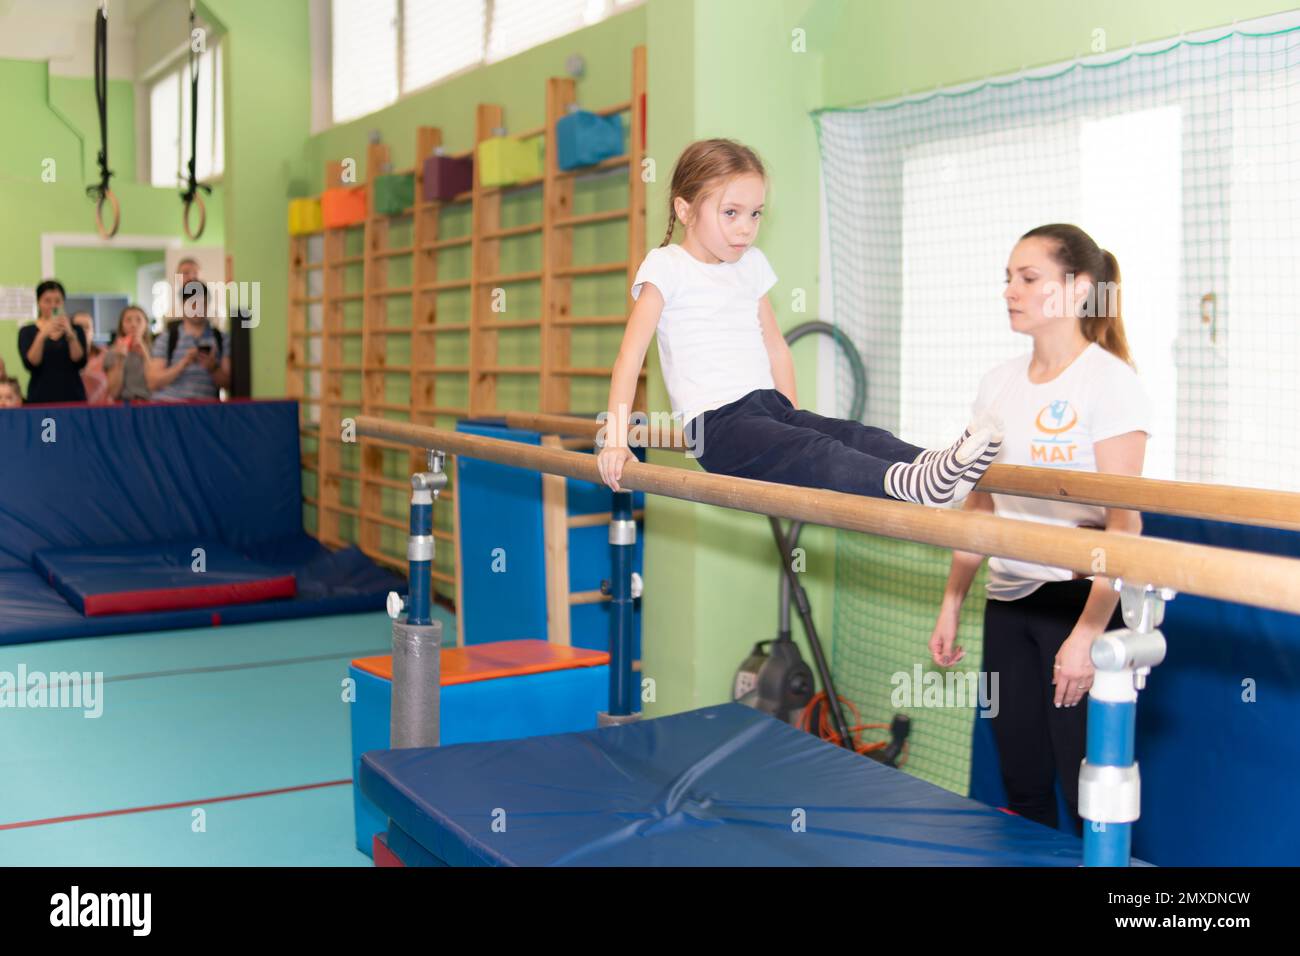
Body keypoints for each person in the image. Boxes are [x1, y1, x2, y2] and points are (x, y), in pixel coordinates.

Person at [596, 138, 1002, 504]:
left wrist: (790, 415)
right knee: (817, 450)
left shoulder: (750, 264)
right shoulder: (667, 266)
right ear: (685, 210)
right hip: (717, 425)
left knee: (850, 434)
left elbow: (775, 346)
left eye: (755, 214)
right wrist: (615, 441)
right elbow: (630, 358)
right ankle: (913, 485)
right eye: (731, 213)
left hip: (769, 407)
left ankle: (937, 465)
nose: (746, 228)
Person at [927, 223, 1151, 835]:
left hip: (1079, 603)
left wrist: (1085, 636)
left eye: (1028, 279)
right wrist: (952, 603)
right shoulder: (996, 385)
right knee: (1022, 785)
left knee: (1088, 799)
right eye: (1008, 278)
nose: (1010, 291)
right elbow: (980, 510)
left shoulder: (1110, 383)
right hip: (1007, 602)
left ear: (1079, 289)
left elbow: (1124, 529)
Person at [148, 273, 230, 402]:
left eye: (201, 303)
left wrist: (212, 367)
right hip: (167, 407)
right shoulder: (167, 338)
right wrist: (183, 364)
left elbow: (228, 384)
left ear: (207, 304)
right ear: (183, 304)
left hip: (204, 411)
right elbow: (152, 382)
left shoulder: (221, 338)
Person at [18, 280, 87, 404]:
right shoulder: (27, 331)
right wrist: (42, 334)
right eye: (47, 301)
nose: (53, 305)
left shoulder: (76, 329)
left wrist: (70, 334)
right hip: (40, 396)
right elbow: (31, 363)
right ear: (39, 303)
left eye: (57, 301)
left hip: (72, 396)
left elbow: (80, 361)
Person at [103, 305, 154, 402]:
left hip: (150, 405)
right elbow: (113, 392)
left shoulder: (156, 351)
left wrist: (145, 354)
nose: (133, 324)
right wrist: (120, 360)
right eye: (128, 320)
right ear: (121, 326)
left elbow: (155, 384)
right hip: (123, 406)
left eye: (138, 320)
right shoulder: (112, 353)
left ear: (146, 324)